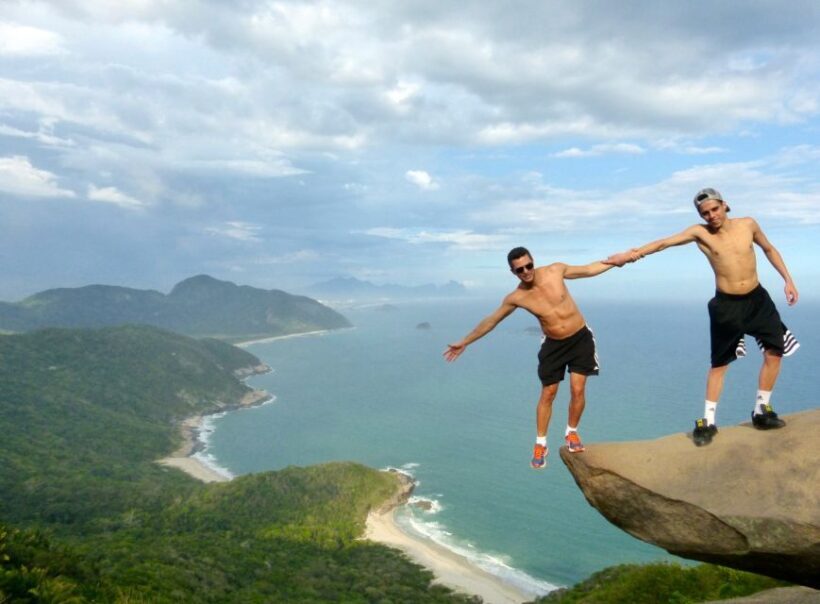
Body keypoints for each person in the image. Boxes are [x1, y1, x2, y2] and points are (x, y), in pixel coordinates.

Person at [605, 187, 799, 446]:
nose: (711, 215)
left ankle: (761, 411)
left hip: (757, 300)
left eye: (714, 209)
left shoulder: (748, 224)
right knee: (720, 364)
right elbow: (664, 242)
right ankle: (708, 421)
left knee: (775, 351)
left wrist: (787, 280)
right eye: (705, 212)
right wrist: (630, 256)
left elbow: (769, 249)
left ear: (725, 205)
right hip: (726, 305)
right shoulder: (700, 233)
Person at [443, 247, 616, 468]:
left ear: (533, 262)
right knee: (548, 393)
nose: (526, 271)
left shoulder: (555, 270)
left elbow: (590, 269)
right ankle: (541, 443)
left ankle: (571, 432)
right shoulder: (517, 297)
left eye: (528, 266)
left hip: (580, 338)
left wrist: (617, 261)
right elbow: (491, 320)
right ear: (513, 272)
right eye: (519, 269)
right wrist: (465, 341)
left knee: (578, 389)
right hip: (554, 345)